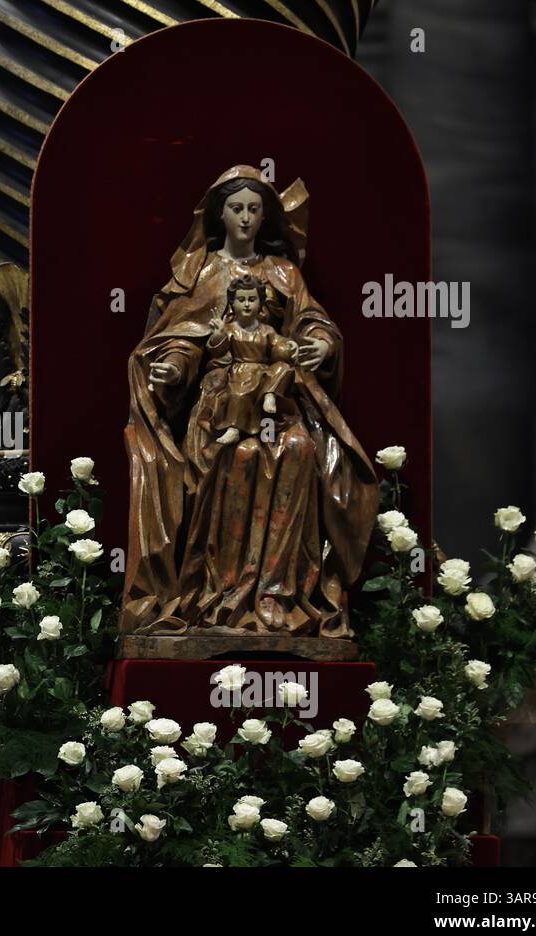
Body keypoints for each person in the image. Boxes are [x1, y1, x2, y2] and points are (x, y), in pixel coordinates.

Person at [124, 165, 378, 636]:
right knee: (236, 456)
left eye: (254, 210)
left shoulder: (283, 272)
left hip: (278, 400)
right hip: (219, 404)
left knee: (301, 451)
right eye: (237, 208)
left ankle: (277, 592)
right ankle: (219, 593)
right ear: (220, 214)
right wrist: (172, 368)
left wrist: (321, 343)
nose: (245, 218)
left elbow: (310, 322)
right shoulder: (202, 273)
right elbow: (183, 337)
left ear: (266, 217)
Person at [204, 274, 299, 445]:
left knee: (285, 368)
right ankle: (234, 429)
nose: (247, 304)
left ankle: (270, 397)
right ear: (232, 303)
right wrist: (218, 335)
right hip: (241, 374)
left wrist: (290, 347)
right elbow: (219, 351)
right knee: (238, 395)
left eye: (252, 299)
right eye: (241, 299)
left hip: (264, 375)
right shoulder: (230, 329)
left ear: (261, 302)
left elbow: (279, 346)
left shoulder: (267, 330)